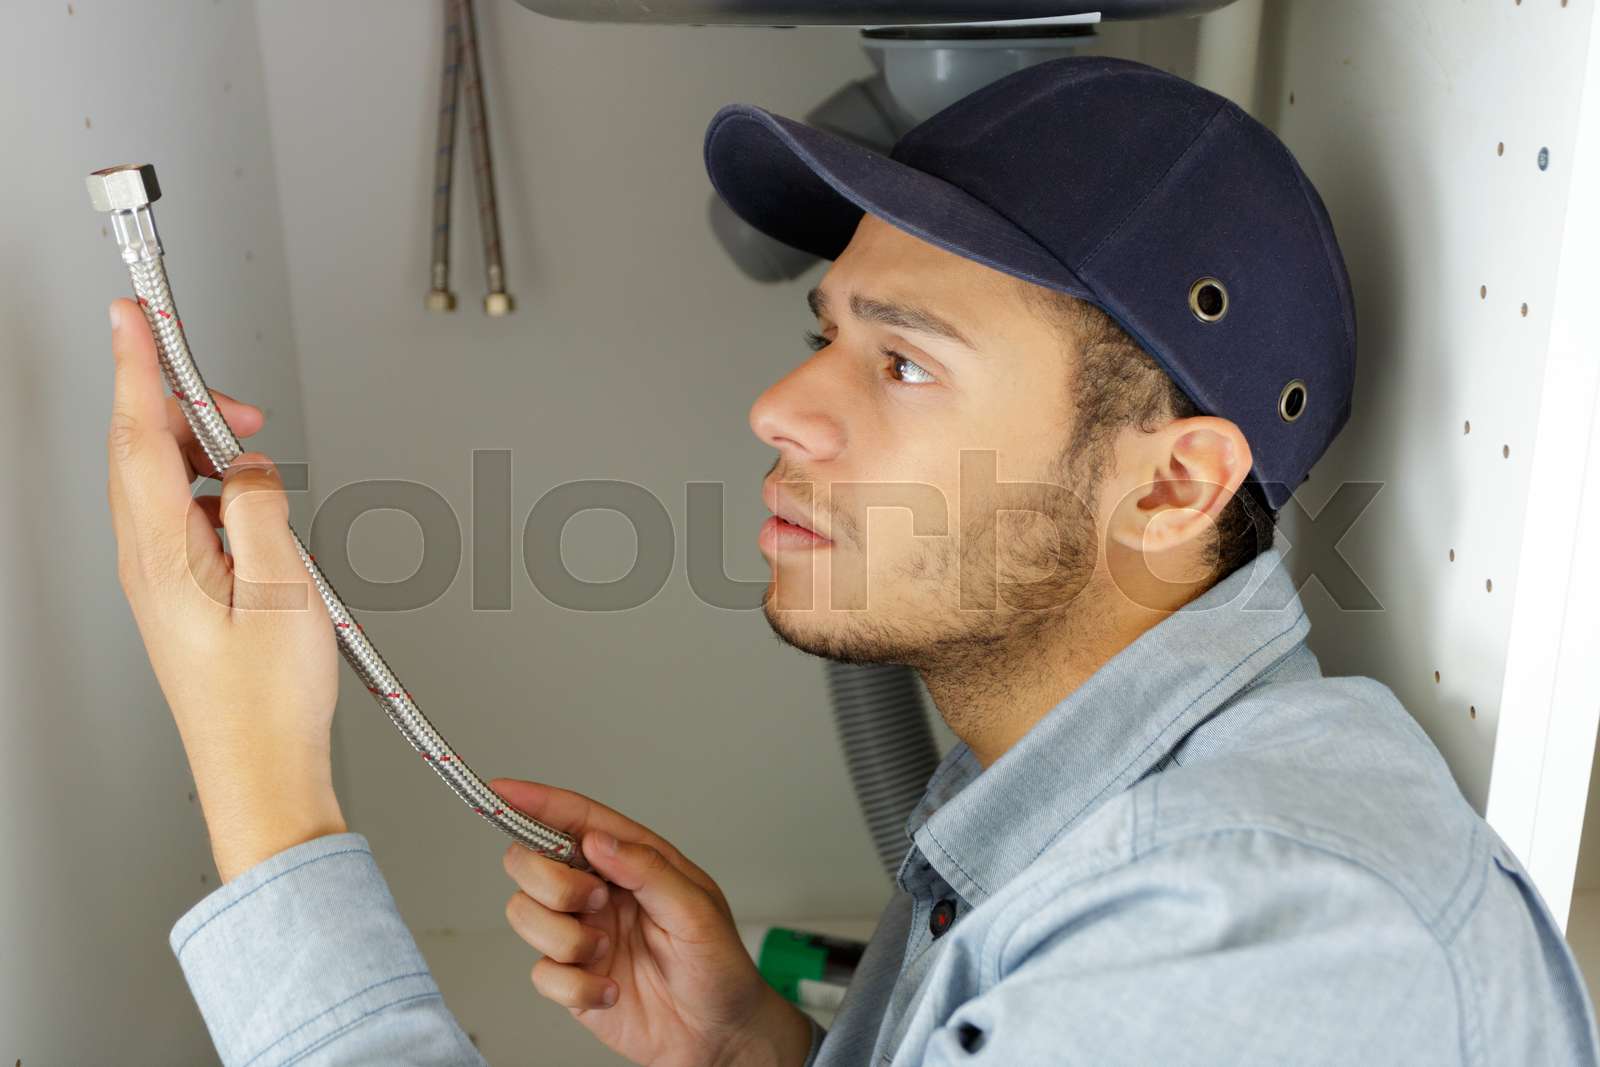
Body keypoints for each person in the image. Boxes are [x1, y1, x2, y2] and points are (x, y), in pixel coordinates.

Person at [106, 55, 1598, 1066]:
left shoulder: (1255, 936)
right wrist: (761, 1051)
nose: (778, 408)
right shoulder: (1073, 812)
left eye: (907, 365)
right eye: (826, 335)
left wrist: (266, 796)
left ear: (1169, 486)